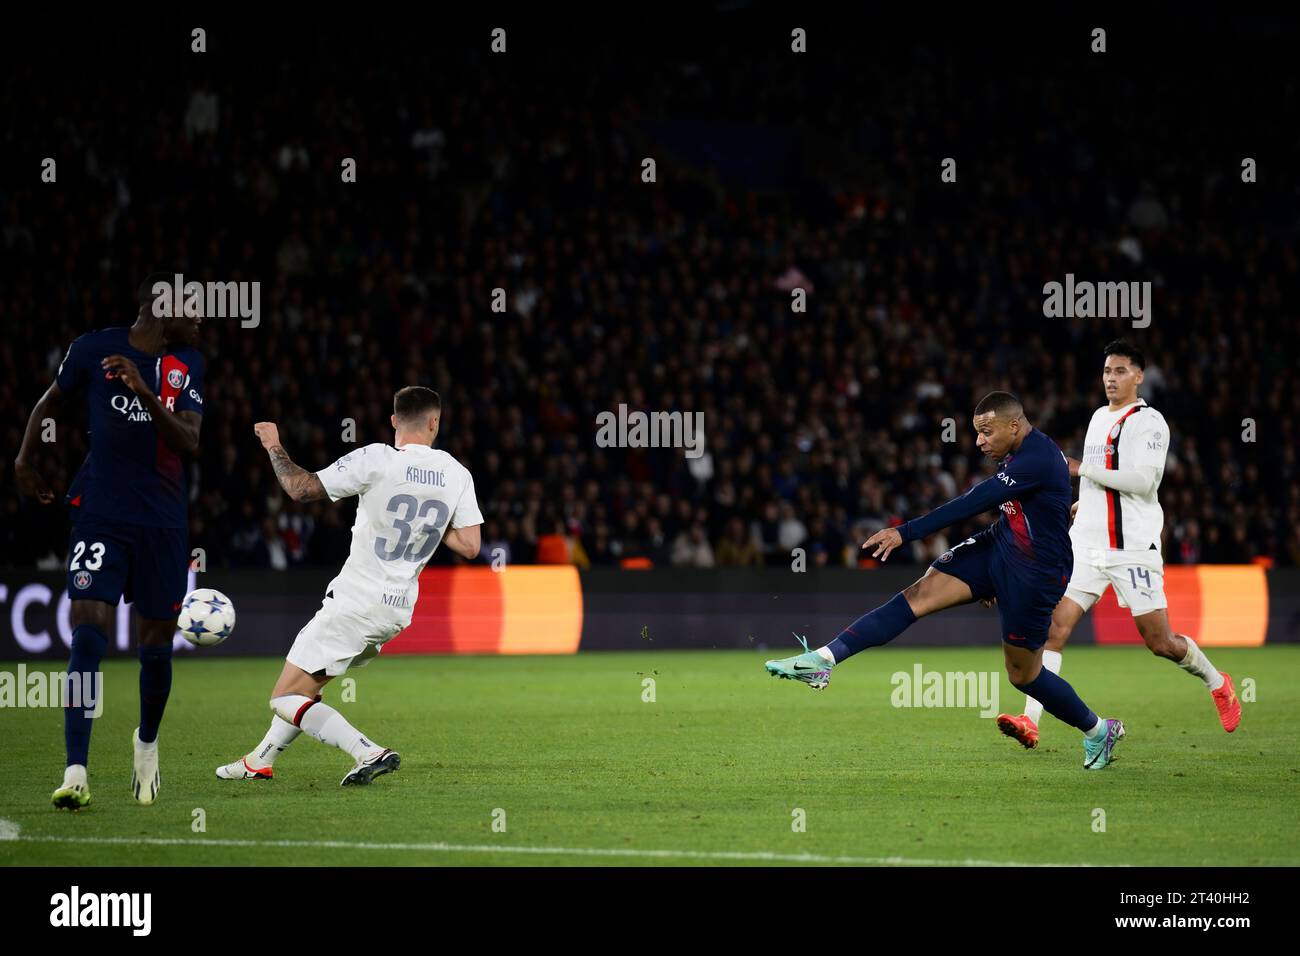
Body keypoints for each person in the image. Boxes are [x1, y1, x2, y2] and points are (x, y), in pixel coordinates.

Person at [765, 392, 1126, 770]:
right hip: (1000, 548)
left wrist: (906, 532)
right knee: (919, 594)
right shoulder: (1017, 452)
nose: (979, 441)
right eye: (976, 433)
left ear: (1014, 426)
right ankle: (823, 659)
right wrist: (989, 578)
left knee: (1024, 675)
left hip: (1036, 573)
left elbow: (976, 500)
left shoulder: (1037, 458)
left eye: (986, 432)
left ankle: (1100, 731)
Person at [216, 386, 482, 786]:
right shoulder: (457, 473)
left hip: (356, 602)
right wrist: (430, 522)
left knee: (283, 697)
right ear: (434, 422)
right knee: (309, 684)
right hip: (396, 610)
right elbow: (471, 545)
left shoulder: (377, 458)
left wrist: (274, 446)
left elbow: (300, 489)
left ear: (394, 421)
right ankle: (259, 761)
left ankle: (367, 751)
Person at [15, 274, 205, 808]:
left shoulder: (184, 366)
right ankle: (76, 770)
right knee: (88, 634)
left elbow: (189, 440)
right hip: (101, 514)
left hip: (163, 524)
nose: (200, 322)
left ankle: (146, 743)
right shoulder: (93, 349)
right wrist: (23, 460)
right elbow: (48, 401)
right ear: (161, 310)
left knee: (154, 649)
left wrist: (144, 392)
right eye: (193, 311)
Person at [997, 341, 1240, 749]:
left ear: (1139, 376)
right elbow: (1101, 480)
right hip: (1086, 543)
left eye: (1121, 371)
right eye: (1107, 371)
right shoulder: (1096, 418)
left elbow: (1143, 481)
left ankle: (1219, 683)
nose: (1111, 378)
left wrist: (1082, 468)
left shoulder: (1151, 423)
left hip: (1130, 548)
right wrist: (1083, 499)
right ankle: (1030, 720)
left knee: (1160, 642)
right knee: (1052, 629)